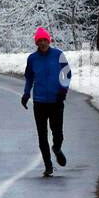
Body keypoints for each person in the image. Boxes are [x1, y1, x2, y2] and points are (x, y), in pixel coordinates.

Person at [20, 26, 71, 177]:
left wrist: (64, 89)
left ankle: (57, 148)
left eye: (44, 40)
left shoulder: (58, 55)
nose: (42, 43)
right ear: (36, 43)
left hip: (56, 100)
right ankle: (48, 165)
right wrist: (26, 94)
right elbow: (29, 77)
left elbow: (67, 73)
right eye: (39, 41)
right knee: (42, 135)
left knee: (58, 132)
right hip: (39, 102)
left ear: (49, 41)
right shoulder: (32, 58)